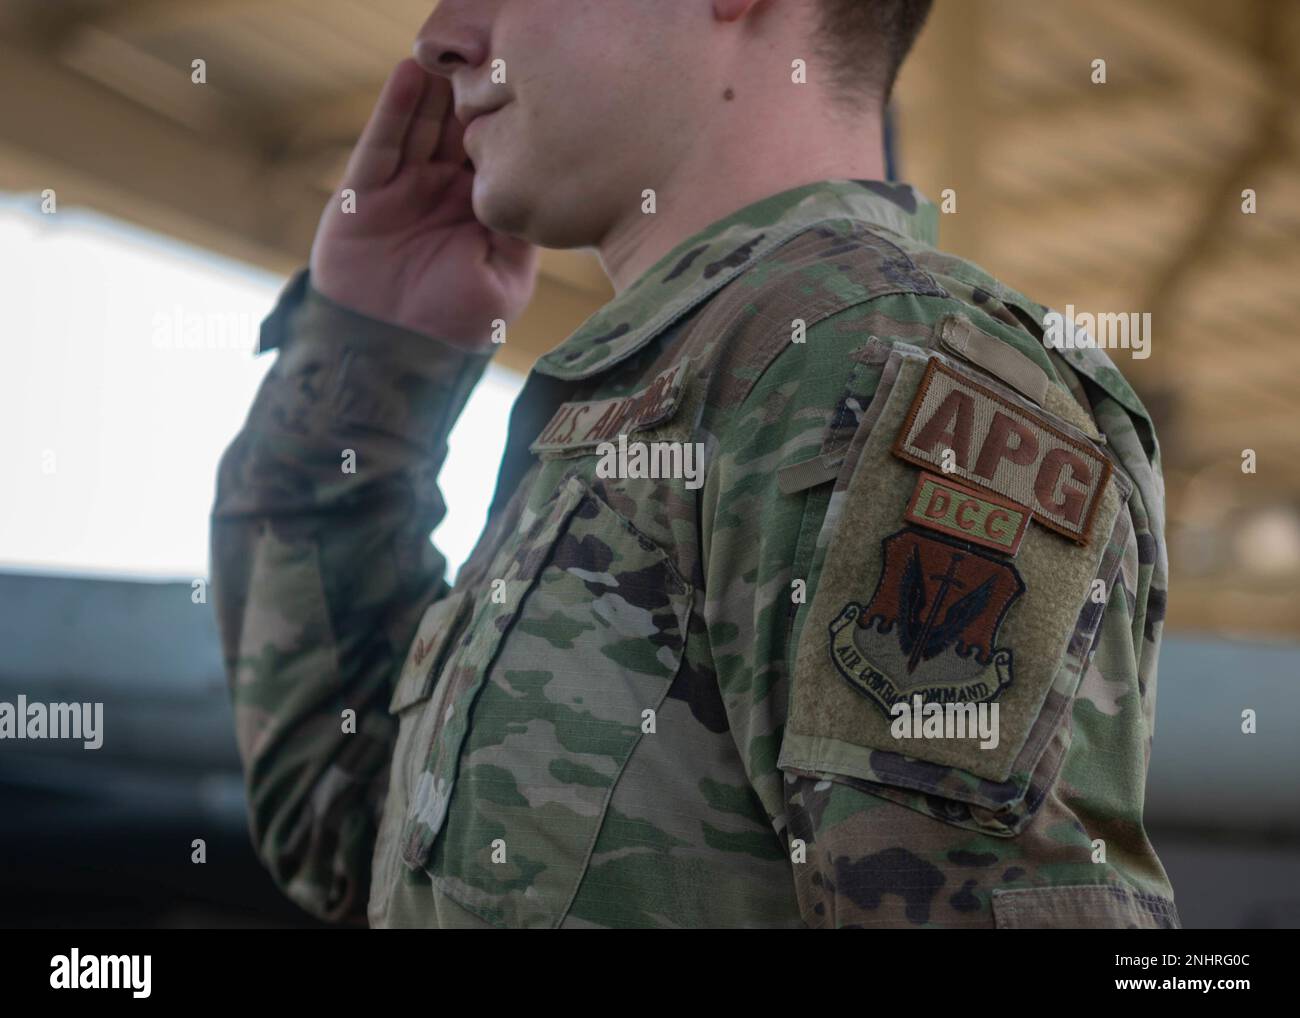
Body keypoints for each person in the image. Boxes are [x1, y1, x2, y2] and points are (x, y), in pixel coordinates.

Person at [211, 0, 1179, 928]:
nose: (440, 39)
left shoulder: (873, 366)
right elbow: (341, 832)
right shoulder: (663, 401)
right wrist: (368, 359)